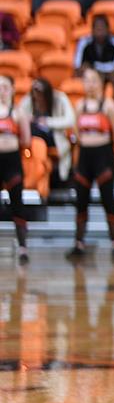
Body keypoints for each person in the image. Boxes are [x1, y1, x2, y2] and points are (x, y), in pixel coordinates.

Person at [66, 67, 114, 260]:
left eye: (93, 80)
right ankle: (78, 243)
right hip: (84, 158)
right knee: (81, 201)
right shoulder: (79, 106)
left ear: (100, 83)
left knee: (108, 201)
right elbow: (75, 135)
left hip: (103, 157)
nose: (89, 84)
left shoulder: (108, 105)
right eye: (86, 80)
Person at [0, 74, 30, 263]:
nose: (1, 91)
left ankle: (22, 247)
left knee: (17, 204)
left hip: (12, 162)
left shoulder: (18, 112)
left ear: (12, 90)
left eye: (5, 87)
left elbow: (26, 140)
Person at [20, 77, 73, 184]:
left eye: (40, 92)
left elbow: (70, 120)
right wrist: (27, 119)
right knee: (33, 132)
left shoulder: (60, 98)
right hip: (34, 139)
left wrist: (48, 122)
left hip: (54, 136)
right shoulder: (28, 100)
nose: (38, 96)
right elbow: (19, 116)